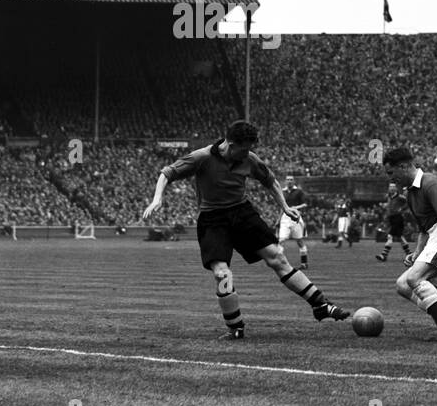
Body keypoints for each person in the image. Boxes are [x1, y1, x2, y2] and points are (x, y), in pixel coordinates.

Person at [141, 120, 350, 339]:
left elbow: (270, 182)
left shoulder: (249, 159)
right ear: (230, 144)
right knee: (222, 273)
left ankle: (321, 306)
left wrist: (285, 207)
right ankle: (236, 327)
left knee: (277, 257)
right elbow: (167, 173)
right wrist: (158, 199)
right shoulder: (201, 157)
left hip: (242, 212)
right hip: (213, 219)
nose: (247, 153)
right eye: (244, 149)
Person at [382, 147, 437, 340]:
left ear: (404, 167)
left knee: (414, 278)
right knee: (403, 285)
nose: (391, 178)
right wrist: (416, 253)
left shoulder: (429, 182)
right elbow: (424, 229)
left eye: (391, 173)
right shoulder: (411, 193)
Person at [277, 175, 310, 269]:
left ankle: (304, 263)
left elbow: (305, 204)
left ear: (294, 181)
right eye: (288, 179)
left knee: (299, 241)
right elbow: (282, 207)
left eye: (291, 179)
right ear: (285, 181)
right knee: (281, 240)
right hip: (285, 218)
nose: (289, 181)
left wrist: (296, 207)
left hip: (296, 217)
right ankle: (279, 263)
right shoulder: (282, 192)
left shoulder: (299, 192)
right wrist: (278, 220)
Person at [375, 182, 412, 264]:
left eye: (393, 187)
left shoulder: (400, 197)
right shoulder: (388, 196)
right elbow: (390, 206)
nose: (391, 188)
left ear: (396, 189)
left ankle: (384, 255)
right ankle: (409, 254)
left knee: (390, 236)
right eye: (390, 187)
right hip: (391, 218)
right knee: (400, 237)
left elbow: (408, 202)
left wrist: (402, 209)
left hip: (398, 218)